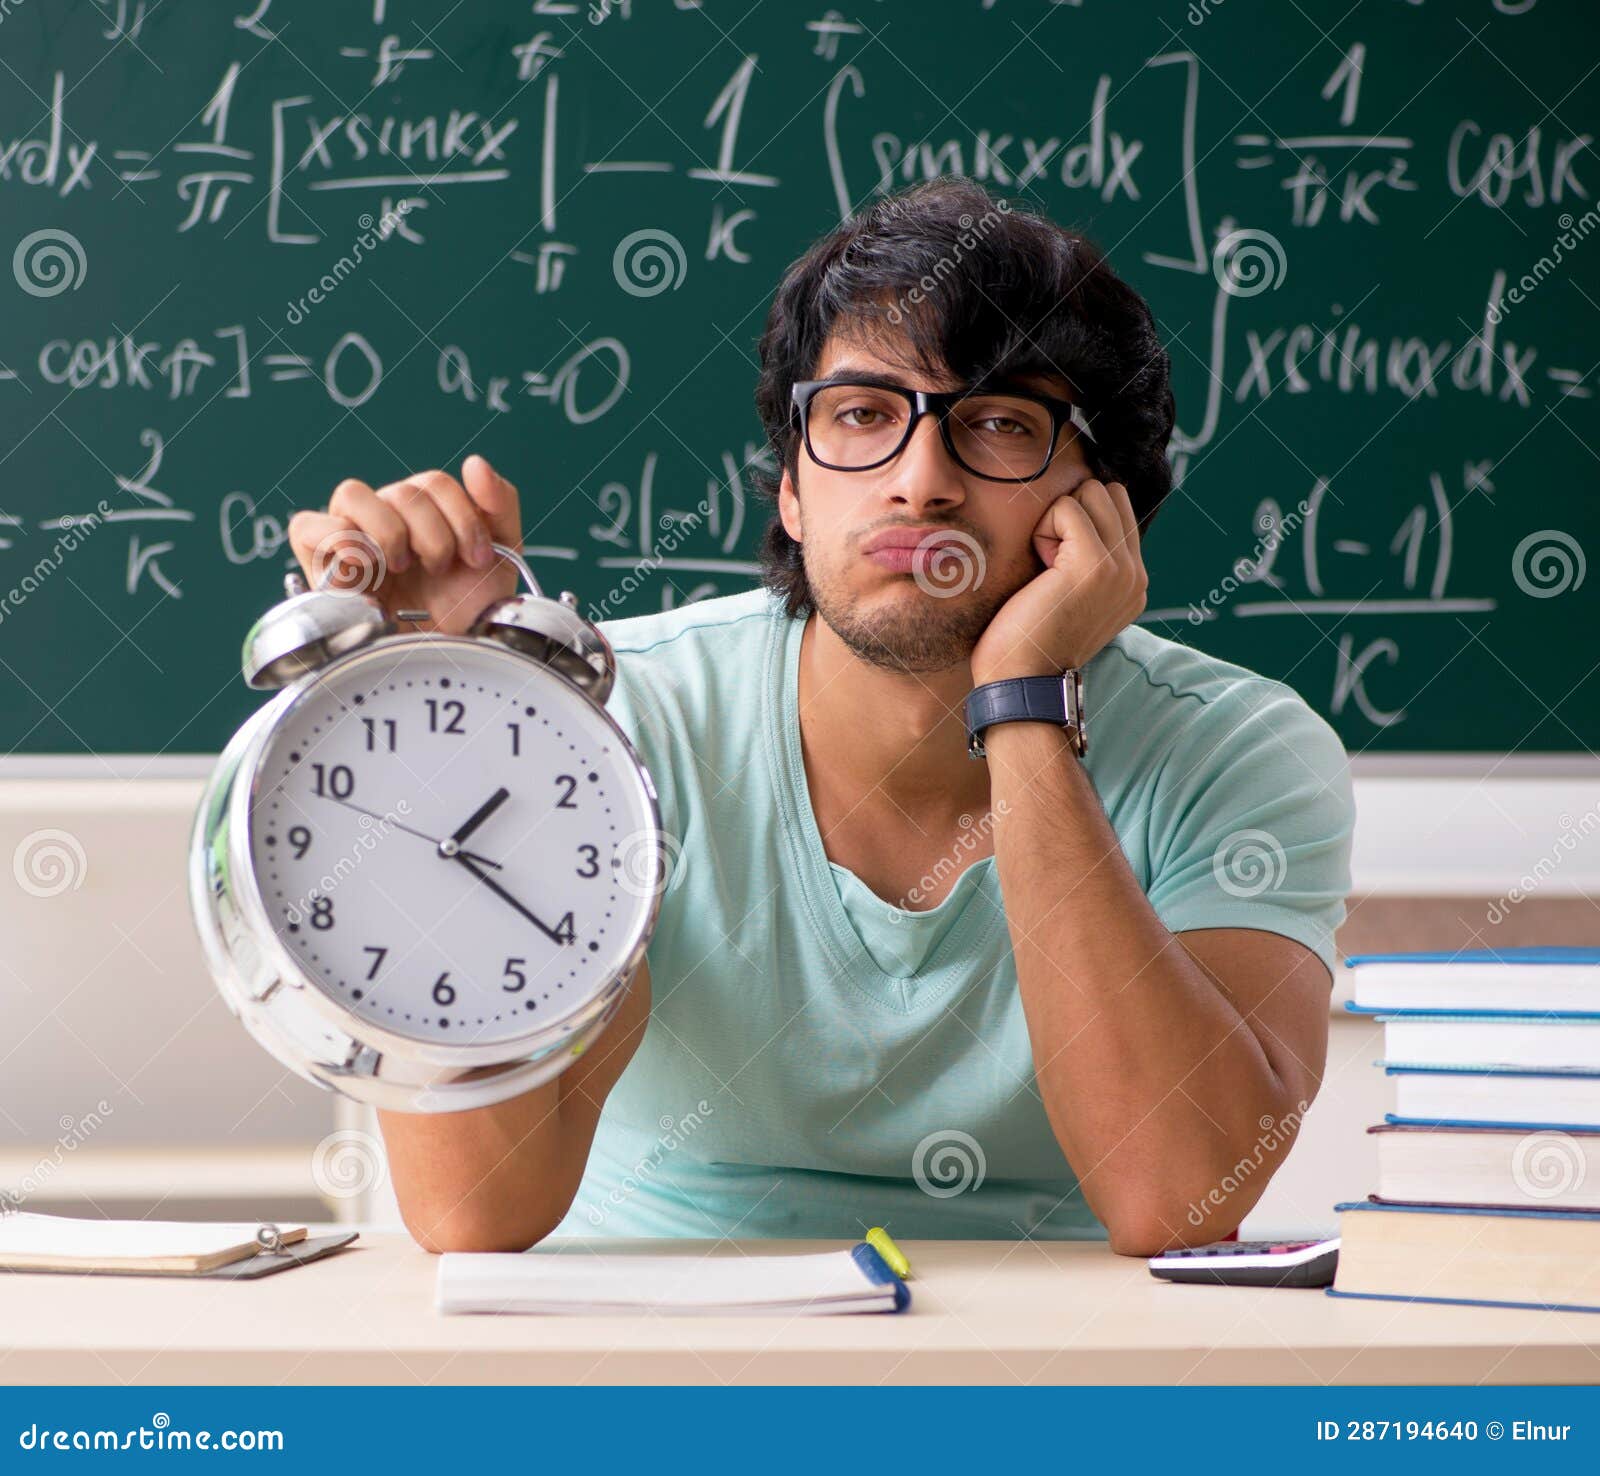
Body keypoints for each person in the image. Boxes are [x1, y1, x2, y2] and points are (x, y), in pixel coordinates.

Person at [287, 177, 1353, 1255]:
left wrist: (1025, 698)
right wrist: (457, 724)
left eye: (996, 423)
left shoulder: (1237, 751)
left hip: (1045, 1365)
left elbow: (1177, 1201)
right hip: (659, 1349)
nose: (918, 482)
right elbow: (476, 1214)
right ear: (791, 489)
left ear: (1103, 501)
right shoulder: (610, 726)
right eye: (861, 416)